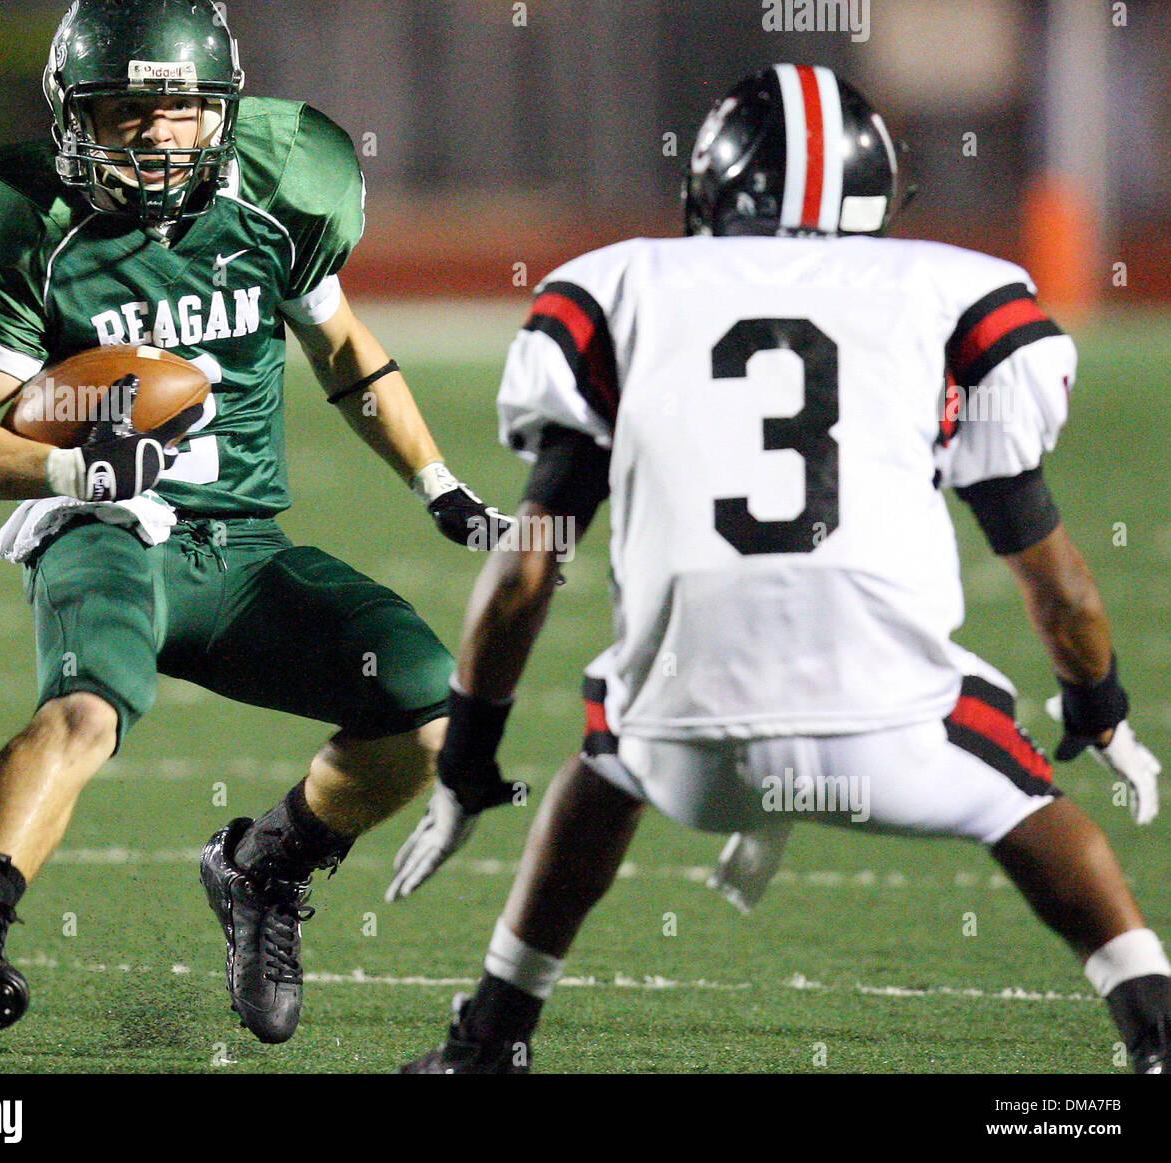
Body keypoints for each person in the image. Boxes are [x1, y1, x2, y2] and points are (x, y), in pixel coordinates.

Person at [388, 64, 1167, 1074]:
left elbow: (526, 574)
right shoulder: (951, 288)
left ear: (711, 186)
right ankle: (1152, 1026)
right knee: (1012, 778)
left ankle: (489, 1037)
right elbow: (1055, 582)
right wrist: (1097, 704)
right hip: (894, 742)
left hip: (689, 759)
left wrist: (467, 756)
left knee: (608, 735)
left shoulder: (620, 284)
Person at [0, 0, 511, 1058]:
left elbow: (344, 347)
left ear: (219, 113)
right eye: (124, 108)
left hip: (243, 549)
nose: (153, 133)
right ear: (71, 115)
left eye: (177, 107)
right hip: (106, 529)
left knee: (423, 702)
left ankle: (264, 867)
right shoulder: (19, 219)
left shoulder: (284, 185)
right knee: (88, 710)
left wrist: (438, 480)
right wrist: (69, 465)